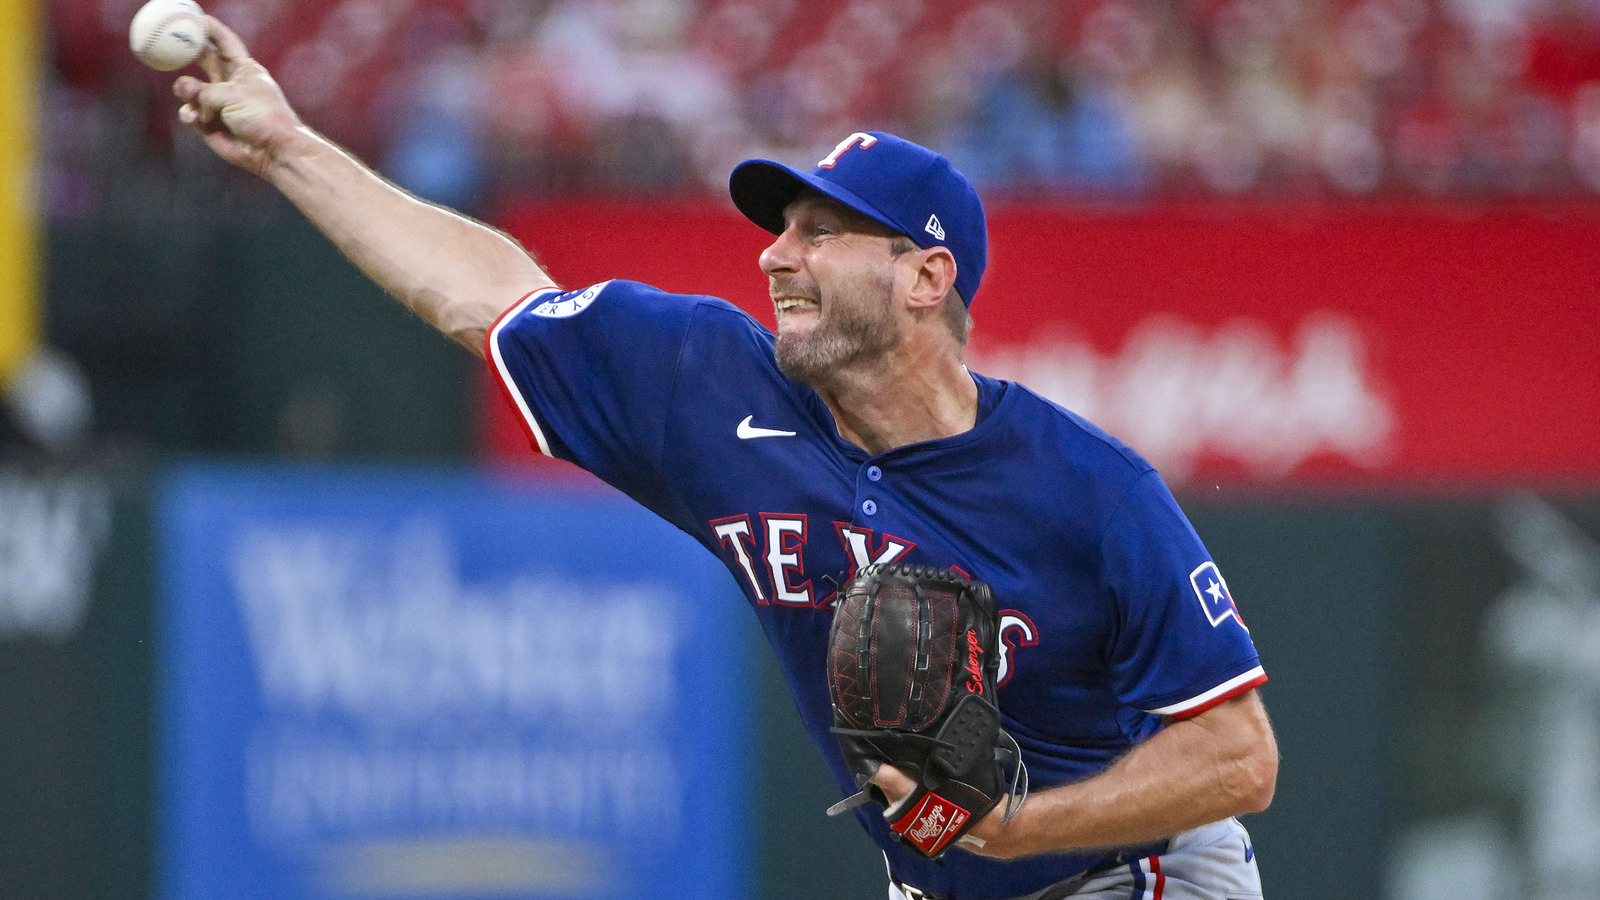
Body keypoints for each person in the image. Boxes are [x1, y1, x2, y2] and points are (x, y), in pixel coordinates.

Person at [172, 18, 1278, 900]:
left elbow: (1239, 756)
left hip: (1131, 876)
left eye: (818, 231)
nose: (775, 253)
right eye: (778, 224)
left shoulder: (1086, 486)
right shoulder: (709, 383)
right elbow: (480, 292)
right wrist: (286, 146)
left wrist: (1012, 827)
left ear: (924, 279)